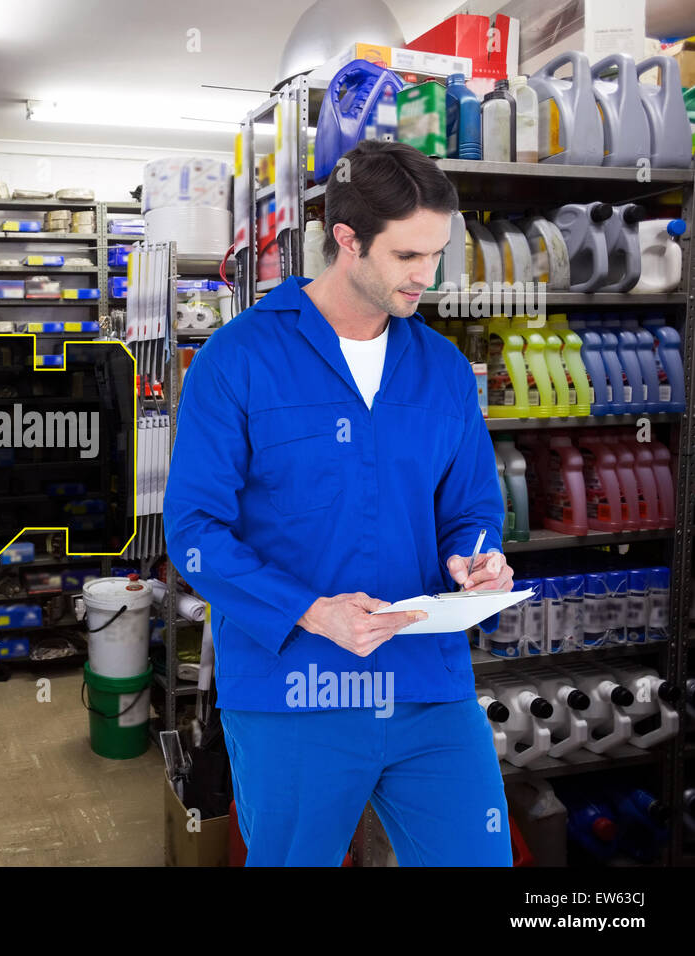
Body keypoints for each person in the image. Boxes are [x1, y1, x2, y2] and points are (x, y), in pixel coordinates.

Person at [165, 139, 515, 866]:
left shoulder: (444, 368)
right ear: (347, 241)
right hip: (292, 688)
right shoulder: (238, 360)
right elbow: (196, 531)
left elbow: (473, 501)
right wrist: (313, 609)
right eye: (409, 256)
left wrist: (478, 555)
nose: (429, 275)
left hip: (428, 682)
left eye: (438, 253)